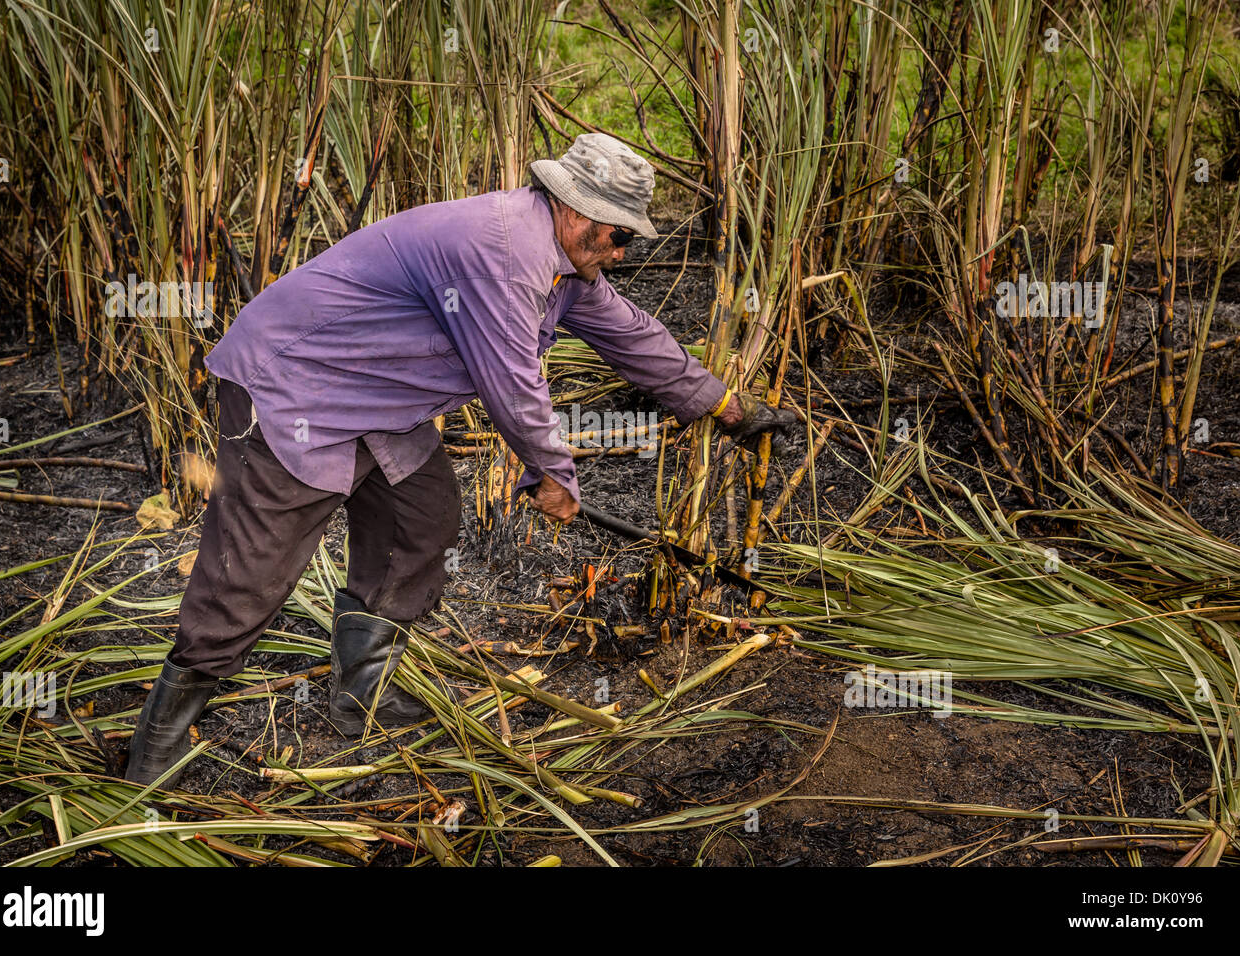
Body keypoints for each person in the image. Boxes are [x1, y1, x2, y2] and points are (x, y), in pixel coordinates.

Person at [125, 132, 798, 787]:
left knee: (421, 520)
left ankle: (362, 701)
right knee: (254, 567)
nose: (622, 252)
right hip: (297, 384)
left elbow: (632, 335)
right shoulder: (504, 254)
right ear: (580, 213)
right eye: (620, 235)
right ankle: (155, 748)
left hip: (379, 397)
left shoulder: (562, 264)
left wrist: (726, 408)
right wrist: (554, 475)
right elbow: (513, 383)